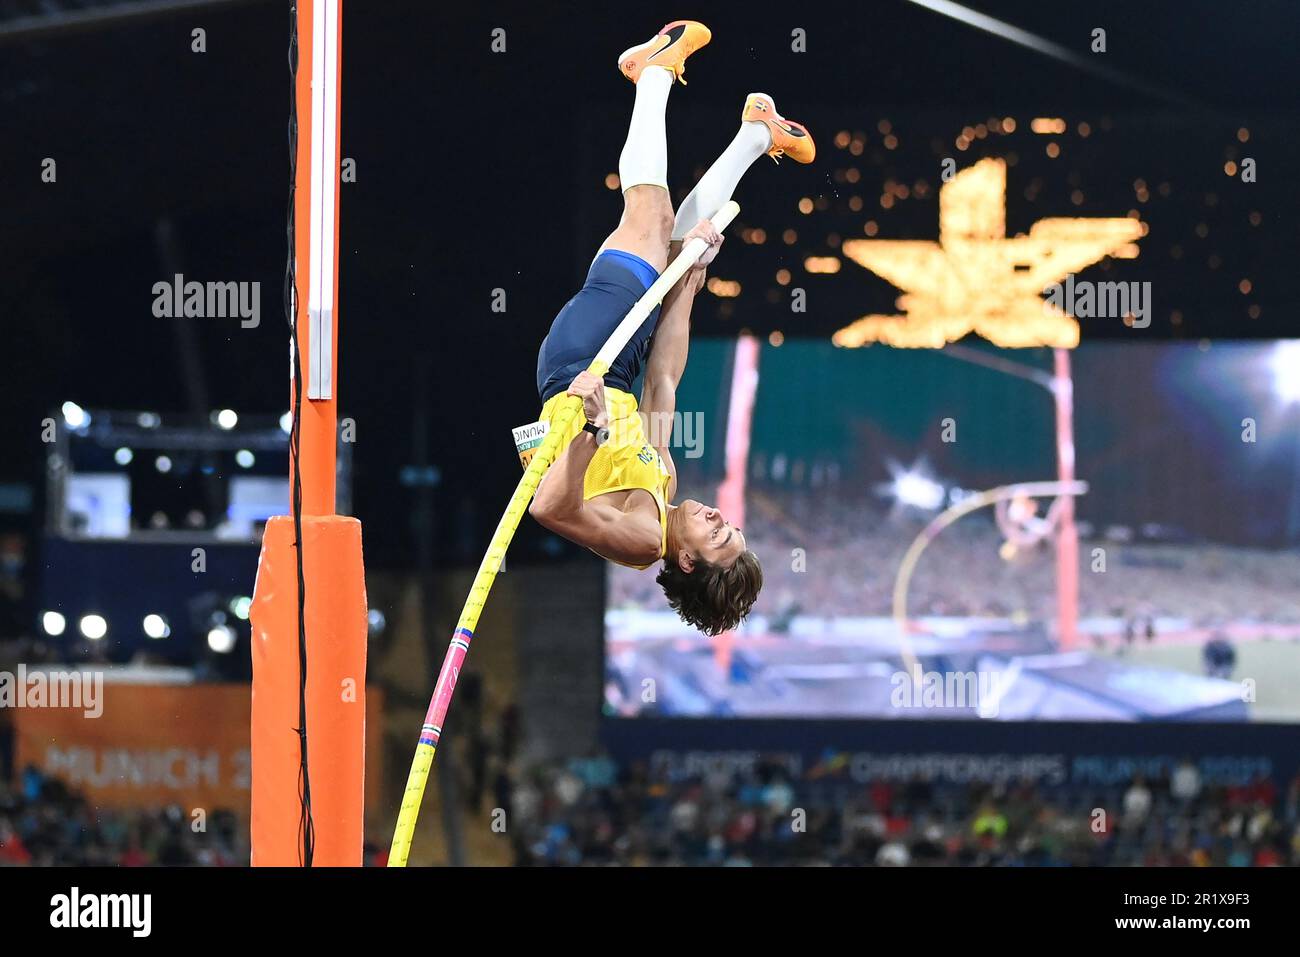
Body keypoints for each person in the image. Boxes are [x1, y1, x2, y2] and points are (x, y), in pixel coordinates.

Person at [529, 20, 813, 635]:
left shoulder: (637, 541)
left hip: (583, 366)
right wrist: (688, 283)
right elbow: (664, 381)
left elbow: (549, 507)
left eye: (718, 536)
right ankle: (755, 136)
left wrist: (588, 430)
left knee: (650, 216)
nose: (720, 519)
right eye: (731, 526)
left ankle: (651, 71)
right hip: (624, 368)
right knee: (679, 242)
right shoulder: (665, 487)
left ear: (686, 560)